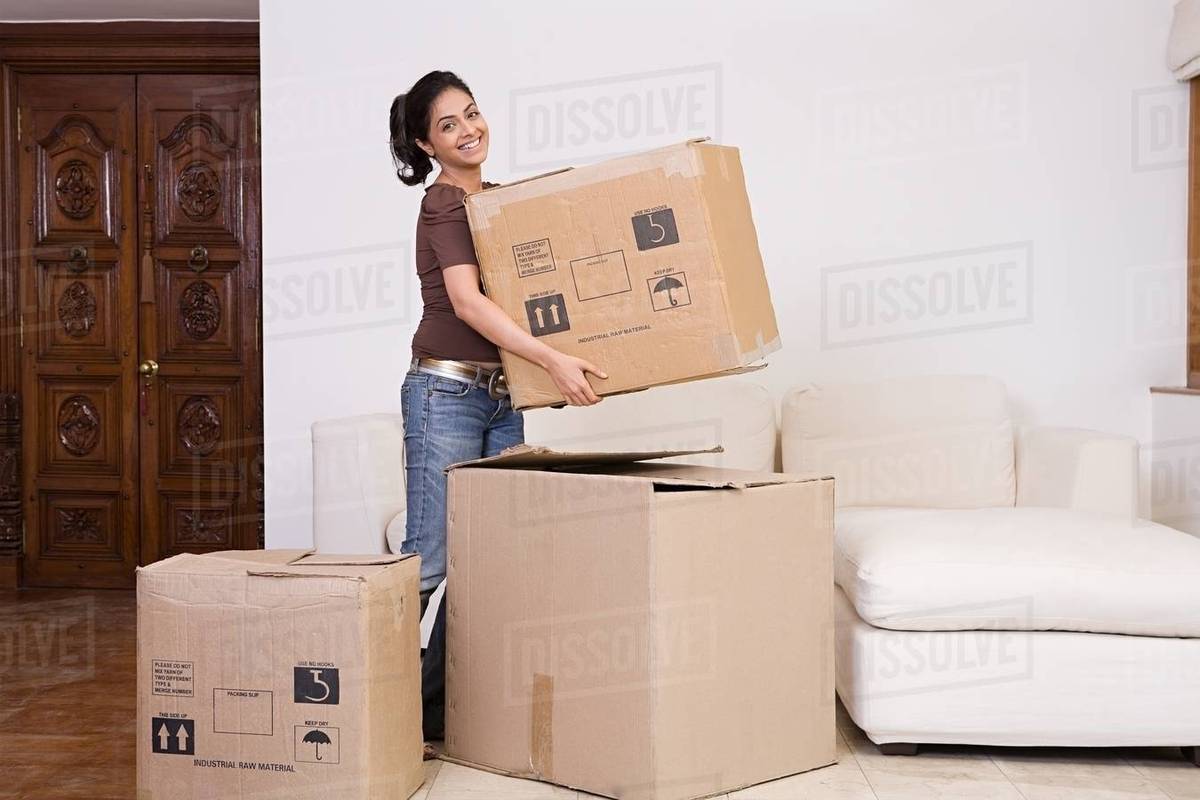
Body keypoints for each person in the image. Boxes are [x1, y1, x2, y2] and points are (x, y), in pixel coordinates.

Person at [388, 70, 606, 758]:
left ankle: (429, 717)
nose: (468, 129)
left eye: (473, 114)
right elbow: (470, 303)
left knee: (484, 564)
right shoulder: (445, 205)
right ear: (427, 143)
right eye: (449, 124)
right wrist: (553, 361)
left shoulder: (504, 205)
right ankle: (366, 713)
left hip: (501, 394)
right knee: (429, 562)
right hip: (445, 392)